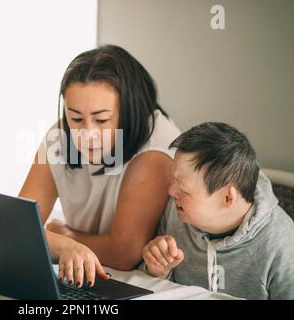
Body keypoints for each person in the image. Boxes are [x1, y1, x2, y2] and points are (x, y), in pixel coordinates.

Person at [19, 45, 180, 287]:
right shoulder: (60, 135)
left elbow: (123, 254)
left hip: (131, 283)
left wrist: (64, 234)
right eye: (75, 118)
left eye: (101, 119)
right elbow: (19, 226)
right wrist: (66, 246)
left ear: (128, 111)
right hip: (82, 276)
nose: (87, 134)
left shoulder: (154, 149)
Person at [141, 122, 294, 299]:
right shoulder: (177, 212)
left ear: (228, 198)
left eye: (183, 188)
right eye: (174, 180)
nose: (171, 192)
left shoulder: (281, 247)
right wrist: (158, 272)